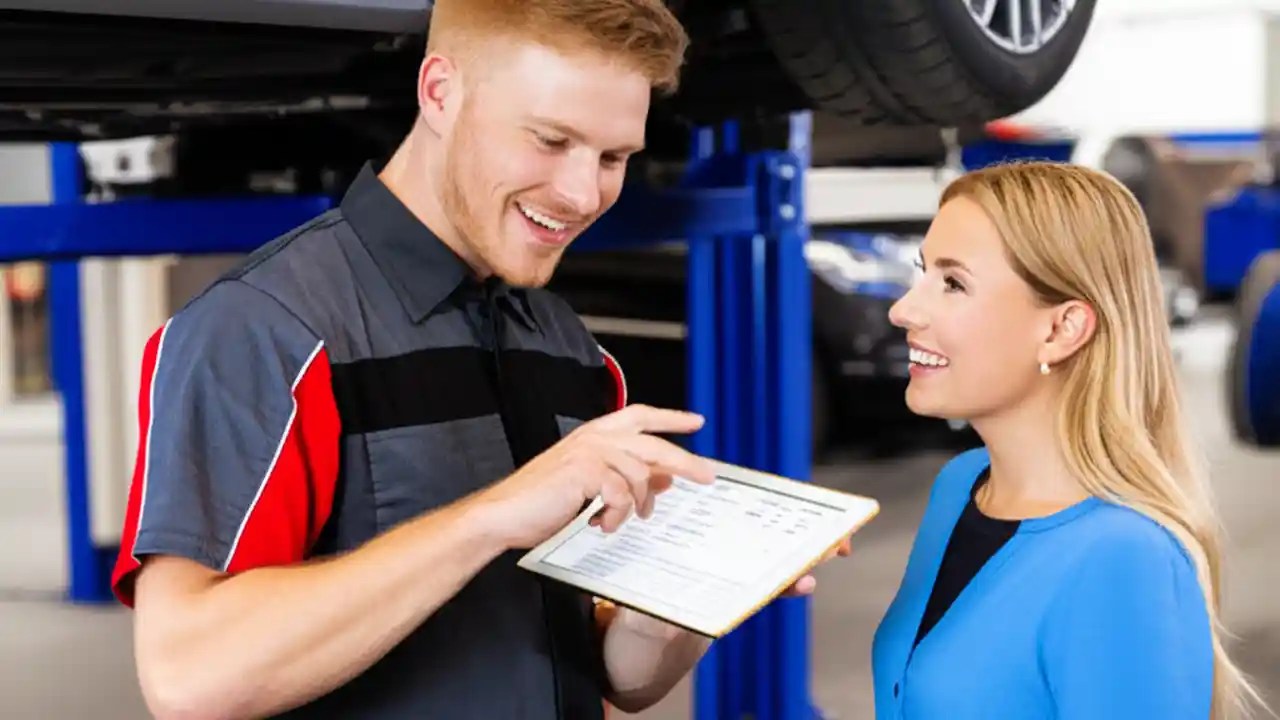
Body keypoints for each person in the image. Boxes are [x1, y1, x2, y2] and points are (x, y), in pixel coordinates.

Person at [107, 2, 847, 718]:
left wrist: (688, 597)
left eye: (614, 156)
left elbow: (612, 678)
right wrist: (492, 517)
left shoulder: (568, 347)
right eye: (551, 141)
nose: (583, 192)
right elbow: (189, 676)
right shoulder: (263, 328)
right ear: (439, 92)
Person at [872, 161, 1265, 719]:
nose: (903, 309)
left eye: (953, 283)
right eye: (922, 272)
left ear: (1062, 330)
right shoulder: (960, 487)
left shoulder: (1125, 560)